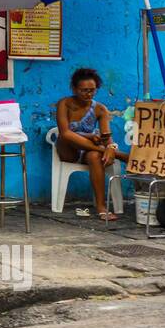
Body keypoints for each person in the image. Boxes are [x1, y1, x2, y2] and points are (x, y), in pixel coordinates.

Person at [55, 67, 127, 221]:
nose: (88, 94)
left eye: (92, 90)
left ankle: (101, 206)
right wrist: (94, 140)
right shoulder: (64, 104)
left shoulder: (100, 109)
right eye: (84, 90)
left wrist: (110, 147)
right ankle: (120, 155)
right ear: (74, 89)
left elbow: (107, 138)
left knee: (95, 156)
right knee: (66, 136)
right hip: (68, 150)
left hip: (89, 151)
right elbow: (65, 132)